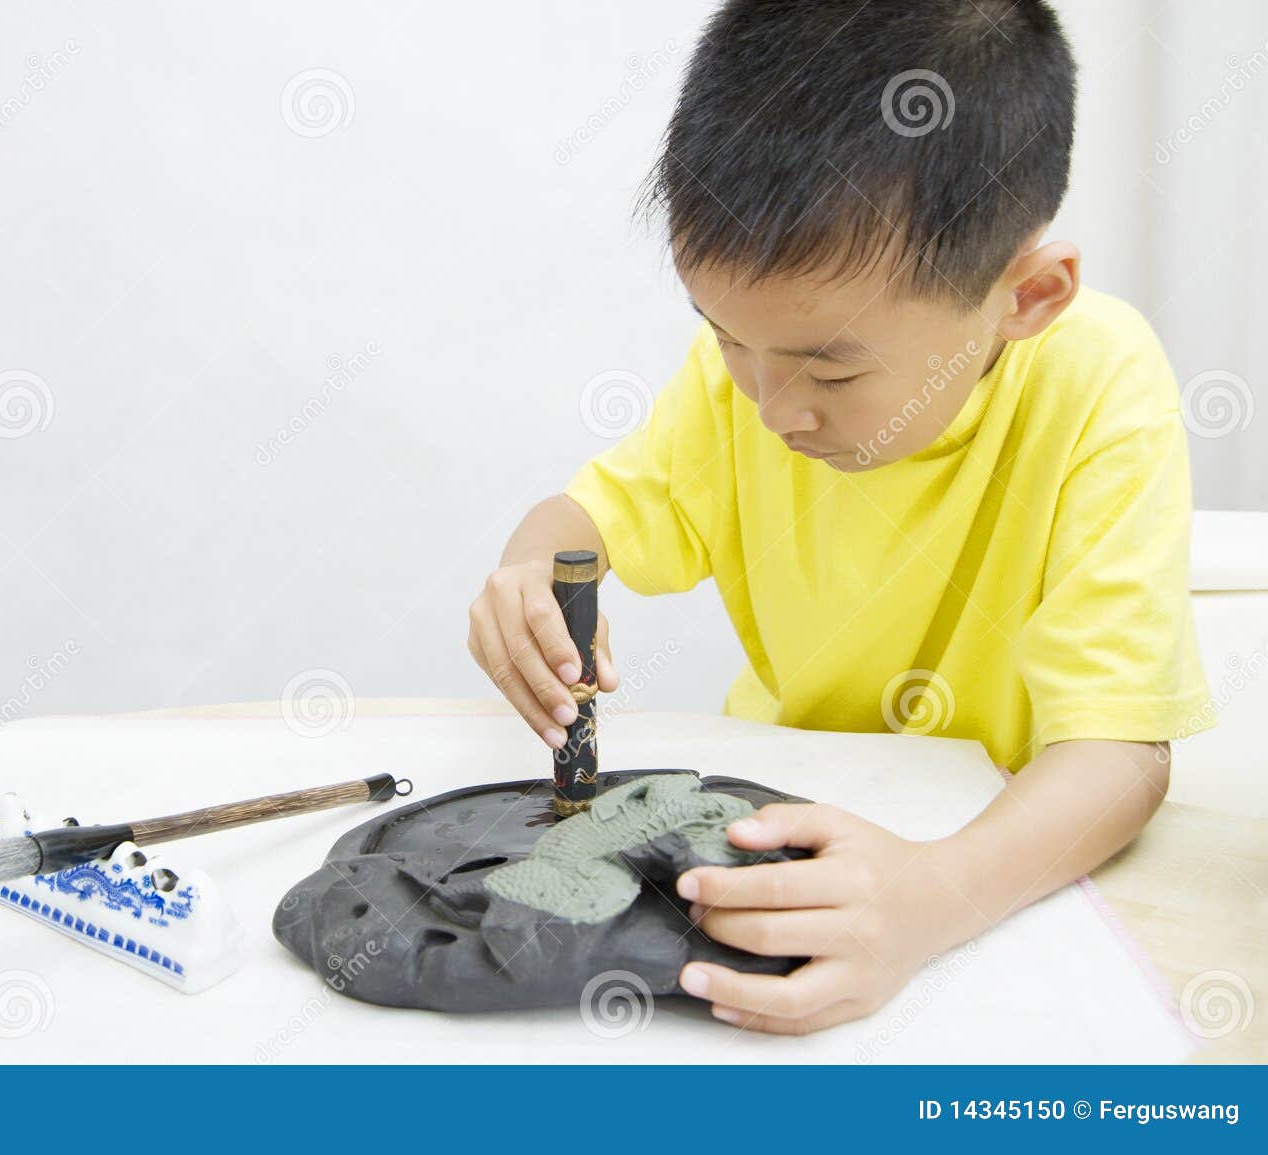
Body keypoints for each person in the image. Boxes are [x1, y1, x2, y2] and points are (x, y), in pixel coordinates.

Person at [467, 0, 1210, 1035]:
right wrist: (529, 568)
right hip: (778, 828)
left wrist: (931, 899)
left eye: (832, 367)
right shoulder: (757, 374)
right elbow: (594, 516)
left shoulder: (1099, 386)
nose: (771, 409)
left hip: (1000, 864)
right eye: (724, 338)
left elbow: (1122, 755)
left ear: (1027, 297)